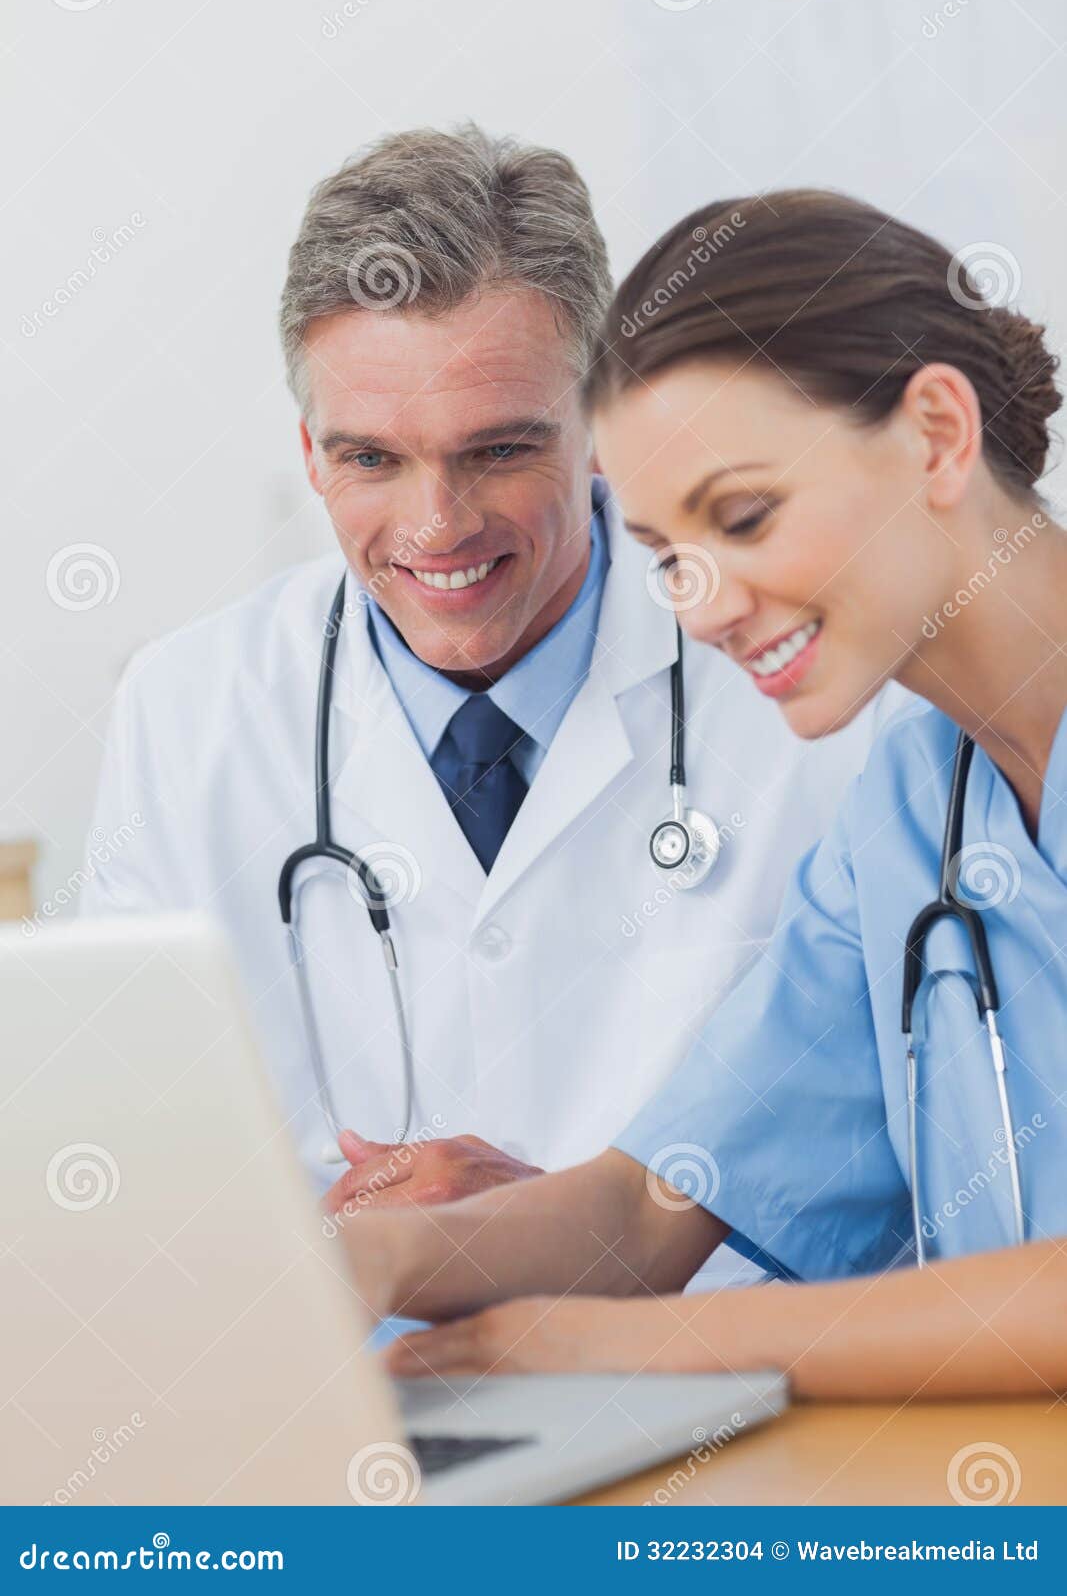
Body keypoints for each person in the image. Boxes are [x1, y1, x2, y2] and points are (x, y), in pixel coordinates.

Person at [79, 134, 883, 1273]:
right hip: (354, 1391)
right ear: (309, 452)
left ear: (601, 423)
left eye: (497, 450)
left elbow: (888, 1179)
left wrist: (560, 1234)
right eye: (371, 460)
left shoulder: (800, 681)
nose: (437, 524)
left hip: (726, 1385)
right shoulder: (189, 709)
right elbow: (139, 1174)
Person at [342, 189, 1067, 1400]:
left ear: (936, 433)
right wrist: (355, 1260)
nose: (706, 602)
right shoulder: (909, 813)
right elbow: (647, 1204)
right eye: (667, 553)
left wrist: (618, 1353)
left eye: (743, 516)